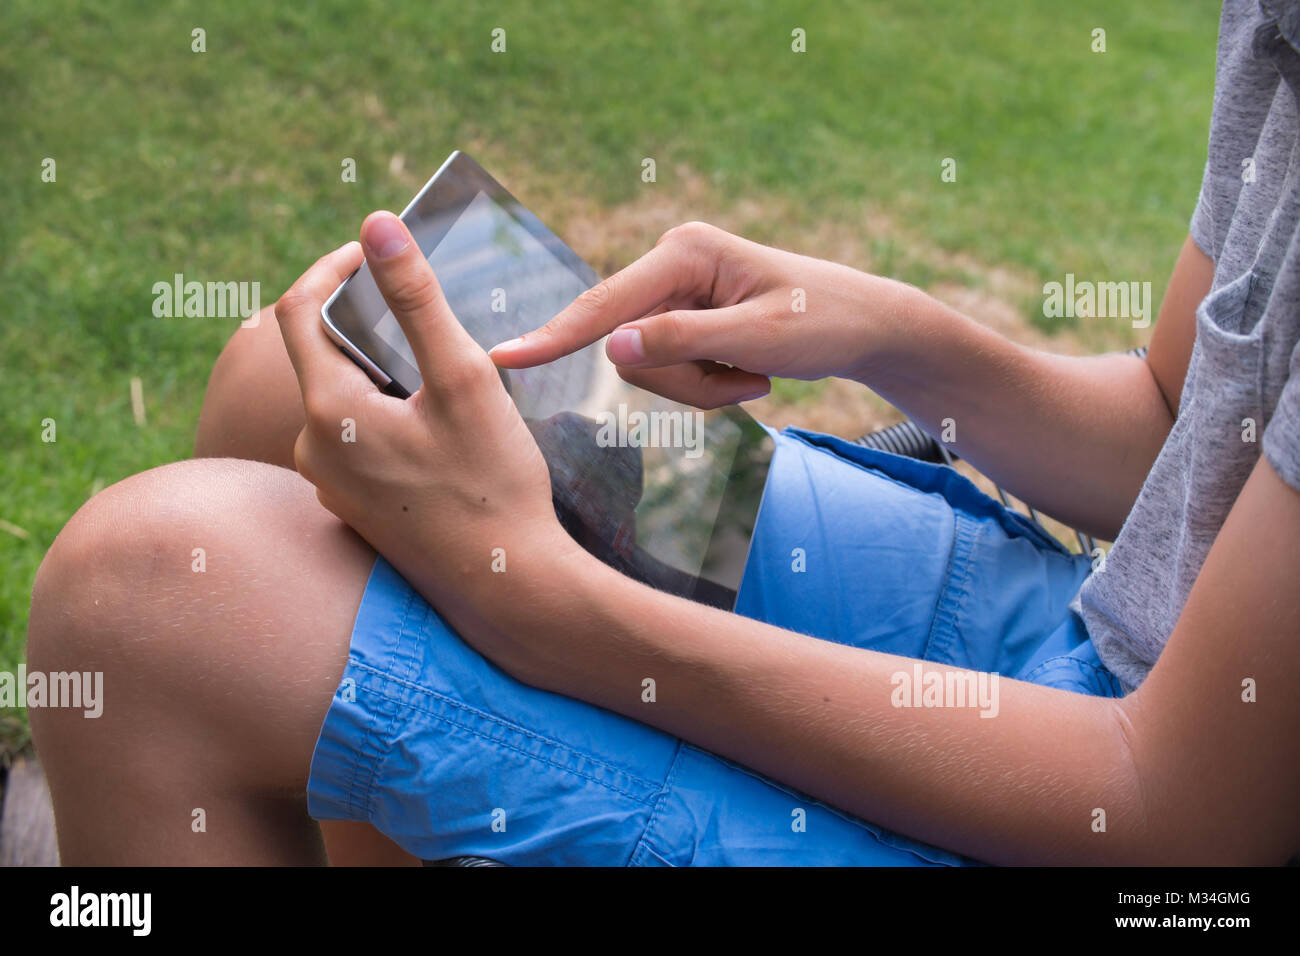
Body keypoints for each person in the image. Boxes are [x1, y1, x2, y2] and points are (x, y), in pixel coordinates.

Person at [26, 0, 1300, 865]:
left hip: (1145, 815)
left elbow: (1182, 813)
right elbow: (1174, 439)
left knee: (142, 595)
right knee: (298, 380)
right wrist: (882, 329)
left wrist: (544, 608)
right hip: (1095, 642)